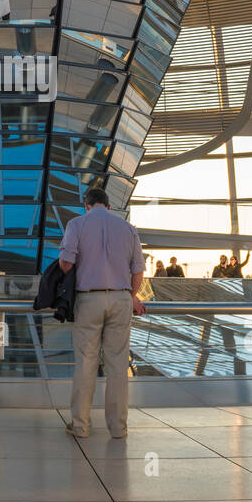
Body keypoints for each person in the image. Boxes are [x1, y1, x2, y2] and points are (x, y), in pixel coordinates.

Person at [59, 187, 146, 439]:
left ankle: (80, 426)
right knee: (118, 365)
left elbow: (66, 263)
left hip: (89, 299)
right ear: (108, 207)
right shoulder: (128, 229)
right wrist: (129, 297)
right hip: (121, 298)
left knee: (85, 363)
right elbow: (138, 272)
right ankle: (118, 428)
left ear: (87, 205)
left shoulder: (76, 224)